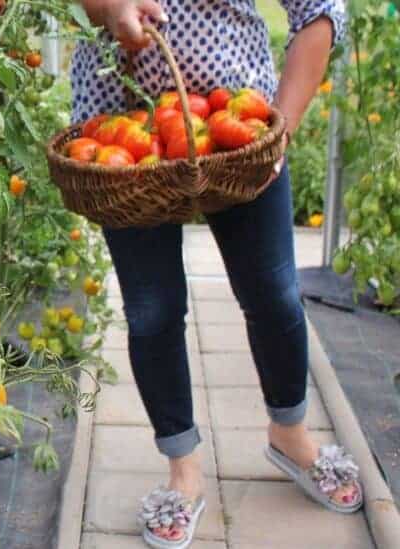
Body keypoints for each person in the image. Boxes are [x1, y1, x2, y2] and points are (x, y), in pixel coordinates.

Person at [73, 1, 363, 547]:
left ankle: (291, 433)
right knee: (152, 311)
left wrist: (281, 132)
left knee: (274, 292)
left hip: (241, 128)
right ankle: (183, 470)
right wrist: (108, 8)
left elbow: (320, 11)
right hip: (125, 134)